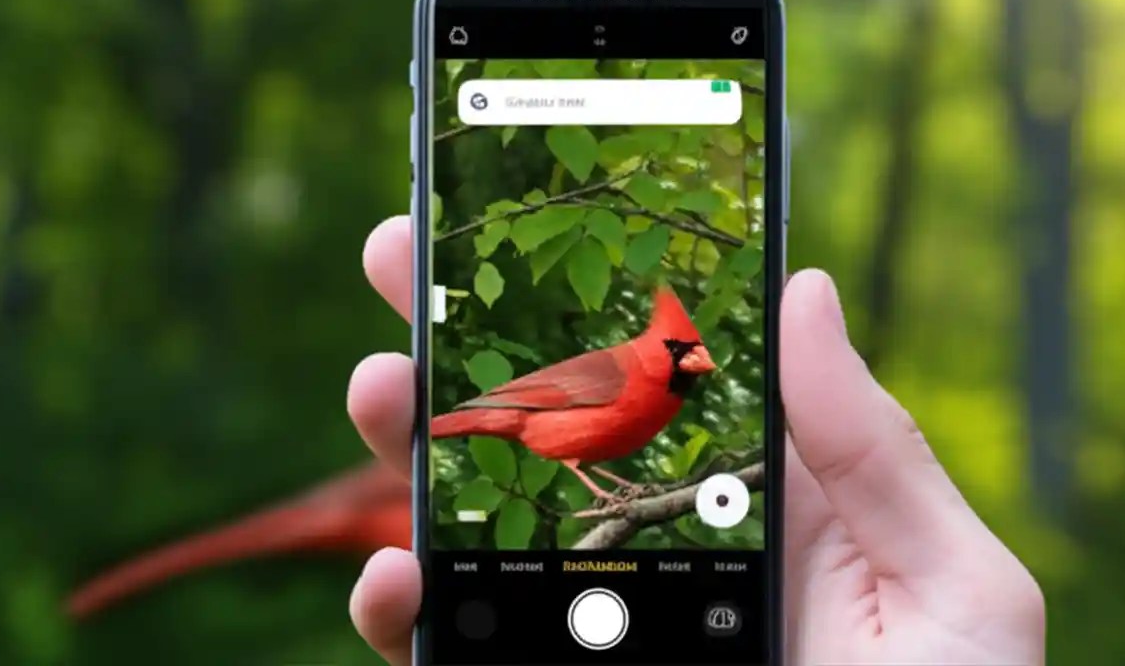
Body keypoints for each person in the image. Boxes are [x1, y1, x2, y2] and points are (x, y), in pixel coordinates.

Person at [346, 216, 1047, 665]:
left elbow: (580, 448)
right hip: (525, 416)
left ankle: (618, 500)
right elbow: (548, 413)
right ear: (659, 350)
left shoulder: (656, 395)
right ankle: (614, 500)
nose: (695, 360)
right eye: (683, 350)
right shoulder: (617, 372)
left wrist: (628, 496)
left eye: (696, 352)